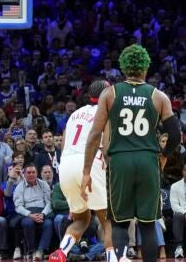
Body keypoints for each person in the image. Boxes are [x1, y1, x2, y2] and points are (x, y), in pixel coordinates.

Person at [81, 45, 181, 262]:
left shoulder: (110, 93)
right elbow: (175, 135)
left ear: (124, 67)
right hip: (148, 160)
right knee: (147, 224)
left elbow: (94, 135)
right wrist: (164, 155)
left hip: (120, 160)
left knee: (119, 223)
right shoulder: (158, 96)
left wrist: (87, 172)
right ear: (145, 67)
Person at [49, 80, 116, 262]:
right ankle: (113, 258)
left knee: (81, 218)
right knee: (108, 220)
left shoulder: (74, 114)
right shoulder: (106, 113)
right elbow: (107, 146)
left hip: (66, 164)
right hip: (89, 162)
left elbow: (63, 144)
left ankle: (61, 253)